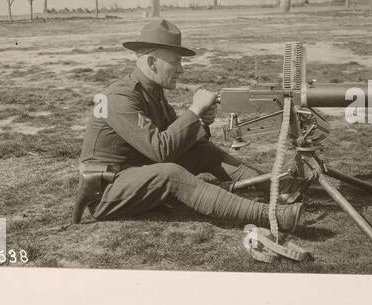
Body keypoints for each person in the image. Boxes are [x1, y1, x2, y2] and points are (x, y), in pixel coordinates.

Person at [72, 19, 301, 231]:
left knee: (204, 153)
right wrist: (194, 110)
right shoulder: (120, 96)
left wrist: (201, 122)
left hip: (136, 172)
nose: (181, 69)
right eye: (175, 62)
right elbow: (161, 151)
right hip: (104, 190)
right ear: (152, 63)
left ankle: (282, 188)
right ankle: (272, 216)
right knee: (171, 173)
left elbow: (177, 140)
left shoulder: (152, 91)